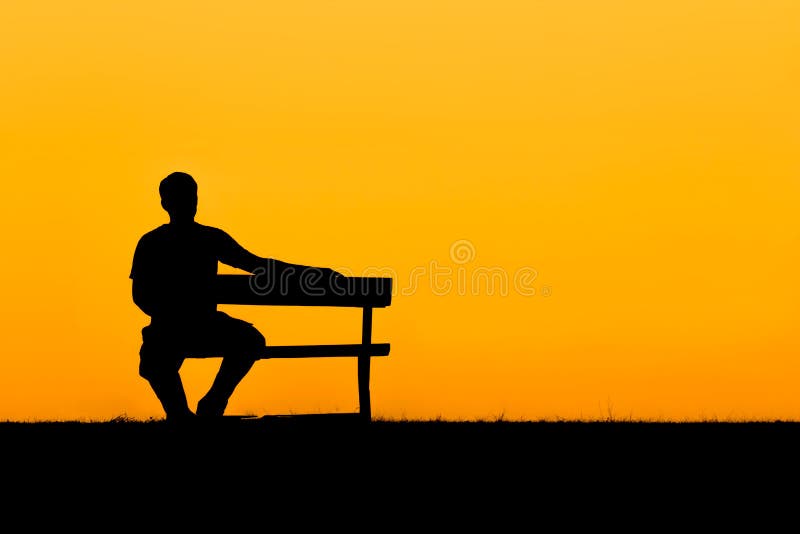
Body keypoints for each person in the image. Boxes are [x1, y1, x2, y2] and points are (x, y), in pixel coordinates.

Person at [130, 171, 343, 420]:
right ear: (166, 203)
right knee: (159, 358)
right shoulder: (167, 241)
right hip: (182, 328)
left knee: (249, 341)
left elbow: (256, 265)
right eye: (185, 197)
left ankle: (207, 404)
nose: (190, 202)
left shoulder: (181, 239)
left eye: (192, 196)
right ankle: (188, 412)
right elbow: (141, 295)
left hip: (190, 328)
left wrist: (312, 274)